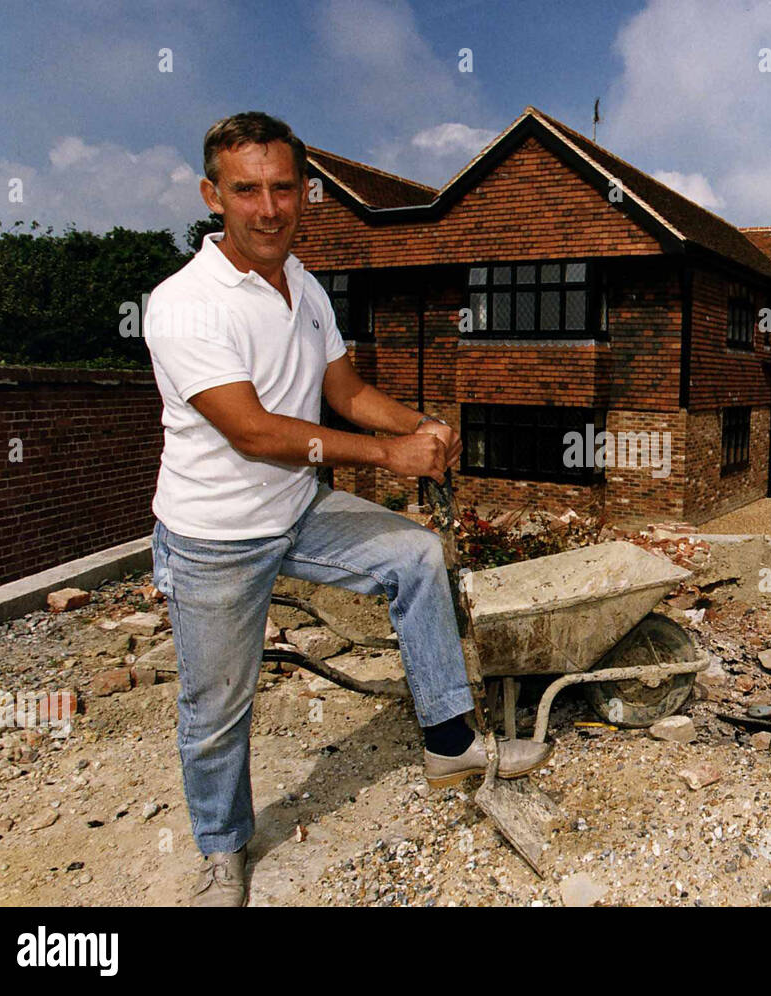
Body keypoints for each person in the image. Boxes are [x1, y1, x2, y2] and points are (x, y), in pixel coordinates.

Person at [144, 111, 552, 907]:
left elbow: (344, 392)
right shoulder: (185, 304)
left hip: (297, 505)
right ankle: (223, 852)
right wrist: (388, 456)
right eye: (246, 190)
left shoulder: (304, 288)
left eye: (283, 188)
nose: (268, 208)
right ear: (212, 196)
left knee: (414, 557)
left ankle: (448, 741)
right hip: (216, 536)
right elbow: (253, 431)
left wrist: (418, 423)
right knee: (218, 708)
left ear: (305, 193)